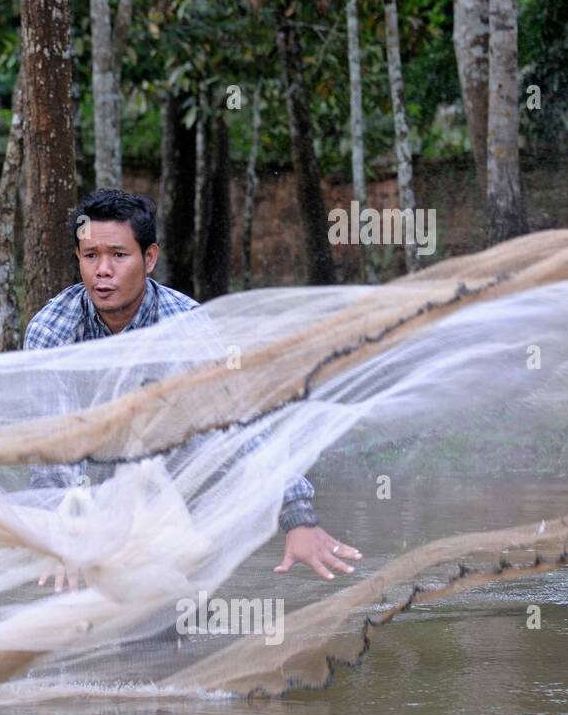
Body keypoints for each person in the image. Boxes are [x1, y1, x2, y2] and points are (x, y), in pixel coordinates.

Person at [24, 188, 361, 592]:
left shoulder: (184, 327)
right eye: (90, 255)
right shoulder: (53, 330)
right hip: (92, 473)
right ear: (77, 258)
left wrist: (297, 514)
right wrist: (68, 529)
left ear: (149, 258)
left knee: (166, 597)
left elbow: (236, 423)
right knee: (73, 608)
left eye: (118, 254)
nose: (103, 270)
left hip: (177, 472)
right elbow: (54, 444)